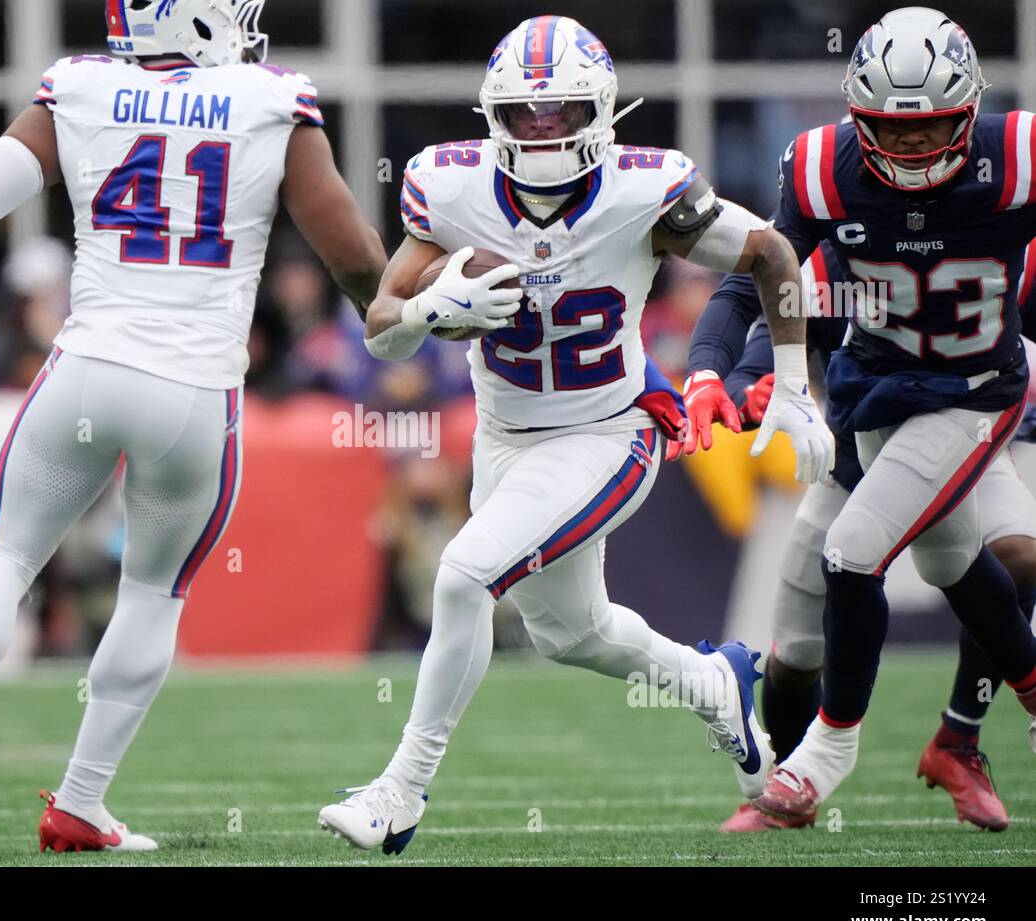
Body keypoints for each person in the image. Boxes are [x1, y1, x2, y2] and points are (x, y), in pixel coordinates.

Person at [0, 0, 386, 852]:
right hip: (194, 395)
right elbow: (356, 260)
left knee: (2, 561)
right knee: (151, 593)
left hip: (85, 371)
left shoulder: (79, 86)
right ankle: (79, 802)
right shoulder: (272, 101)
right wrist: (397, 320)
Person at [317, 14, 834, 854]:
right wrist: (422, 310)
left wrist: (793, 385)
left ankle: (399, 792)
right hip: (506, 436)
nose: (543, 129)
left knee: (461, 577)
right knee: (570, 633)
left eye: (560, 111)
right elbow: (380, 328)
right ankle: (715, 683)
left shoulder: (647, 190)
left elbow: (772, 255)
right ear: (495, 116)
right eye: (526, 113)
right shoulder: (450, 189)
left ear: (599, 112)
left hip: (609, 432)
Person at [679, 7, 1036, 826]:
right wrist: (717, 373)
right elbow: (756, 286)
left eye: (931, 130)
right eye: (891, 132)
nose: (911, 150)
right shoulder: (823, 178)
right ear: (857, 119)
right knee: (936, 574)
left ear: (969, 113)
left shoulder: (1017, 161)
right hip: (870, 410)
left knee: (870, 552)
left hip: (973, 395)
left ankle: (832, 757)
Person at [703, 242, 1036, 831]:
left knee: (1019, 556)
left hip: (964, 450)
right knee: (797, 656)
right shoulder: (831, 262)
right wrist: (749, 381)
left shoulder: (986, 236)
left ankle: (959, 734)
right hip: (855, 464)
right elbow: (770, 317)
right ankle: (785, 777)